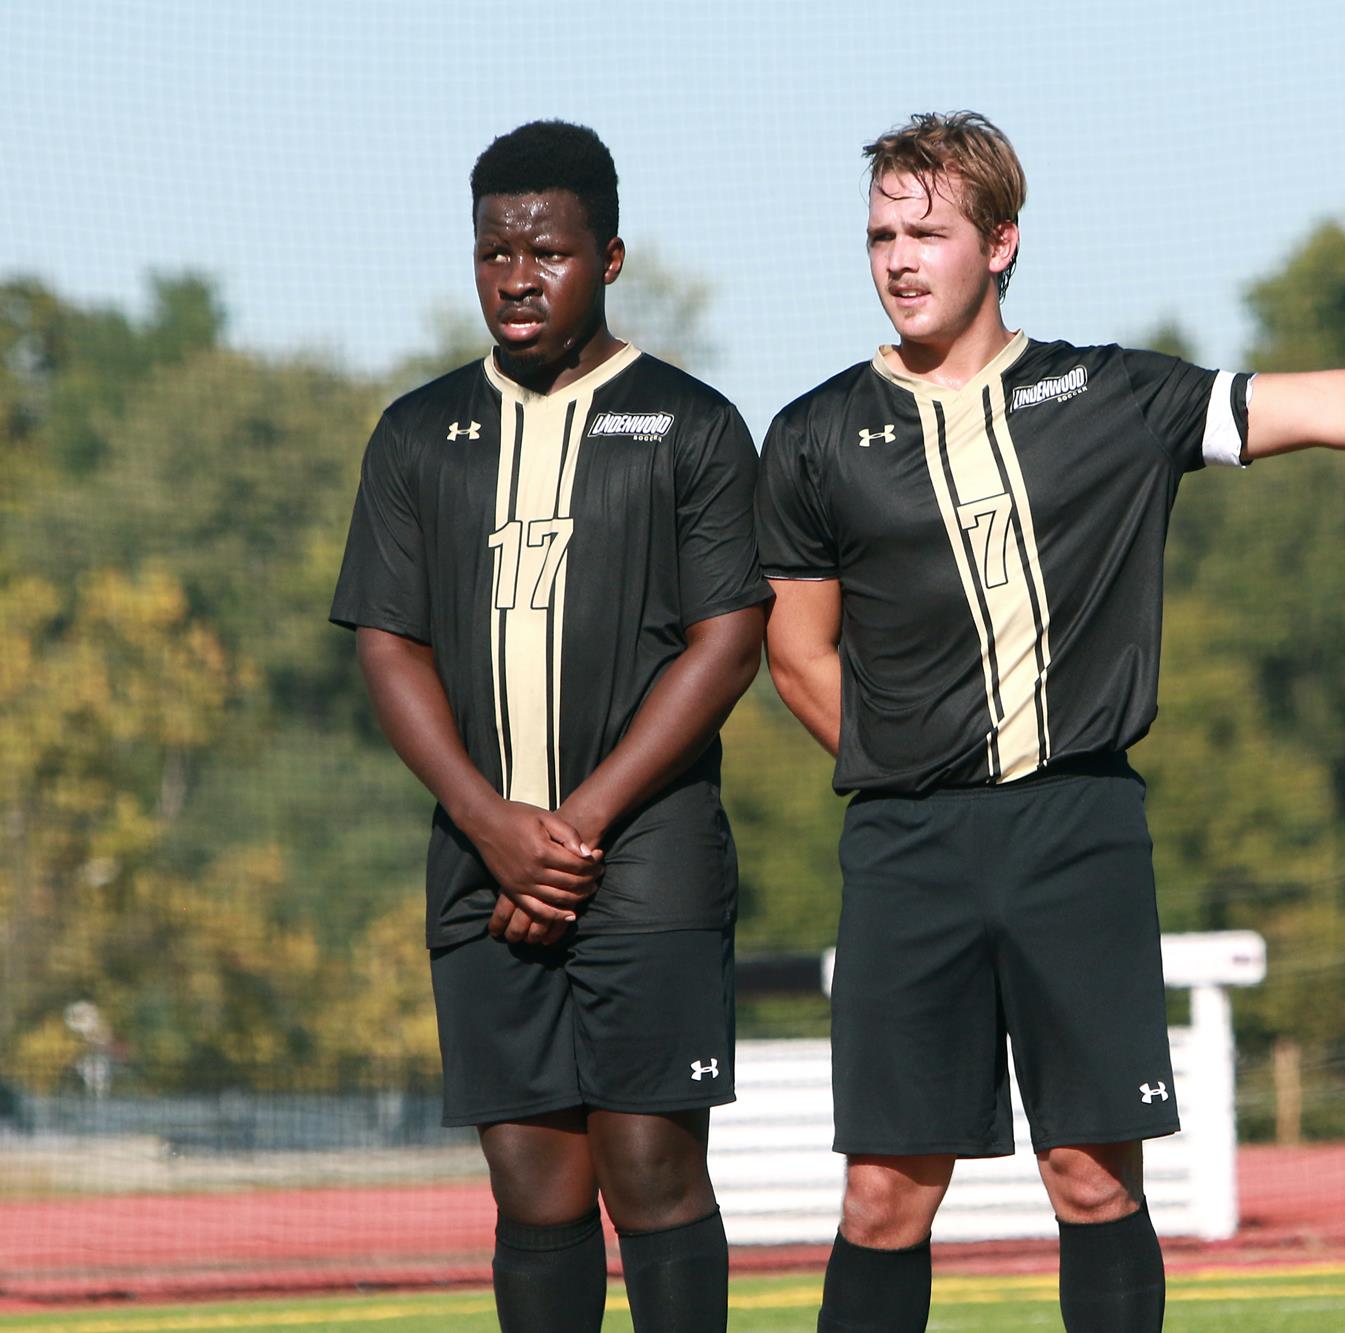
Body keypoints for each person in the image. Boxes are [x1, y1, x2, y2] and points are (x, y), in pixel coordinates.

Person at [754, 111, 1345, 1332]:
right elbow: (796, 652)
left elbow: (1320, 404)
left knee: (1090, 1176)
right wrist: (916, 771)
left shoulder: (1110, 395)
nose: (898, 259)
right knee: (883, 1196)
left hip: (1076, 830)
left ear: (1001, 242)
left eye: (927, 232)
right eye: (881, 235)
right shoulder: (813, 434)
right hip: (904, 844)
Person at [330, 119, 770, 1333]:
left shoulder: (689, 423)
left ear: (609, 258)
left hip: (646, 855)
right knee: (533, 1184)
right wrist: (493, 827)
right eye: (494, 253)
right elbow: (388, 644)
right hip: (481, 859)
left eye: (548, 253)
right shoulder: (417, 432)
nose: (517, 278)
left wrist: (568, 832)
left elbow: (727, 643)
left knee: (649, 1165)